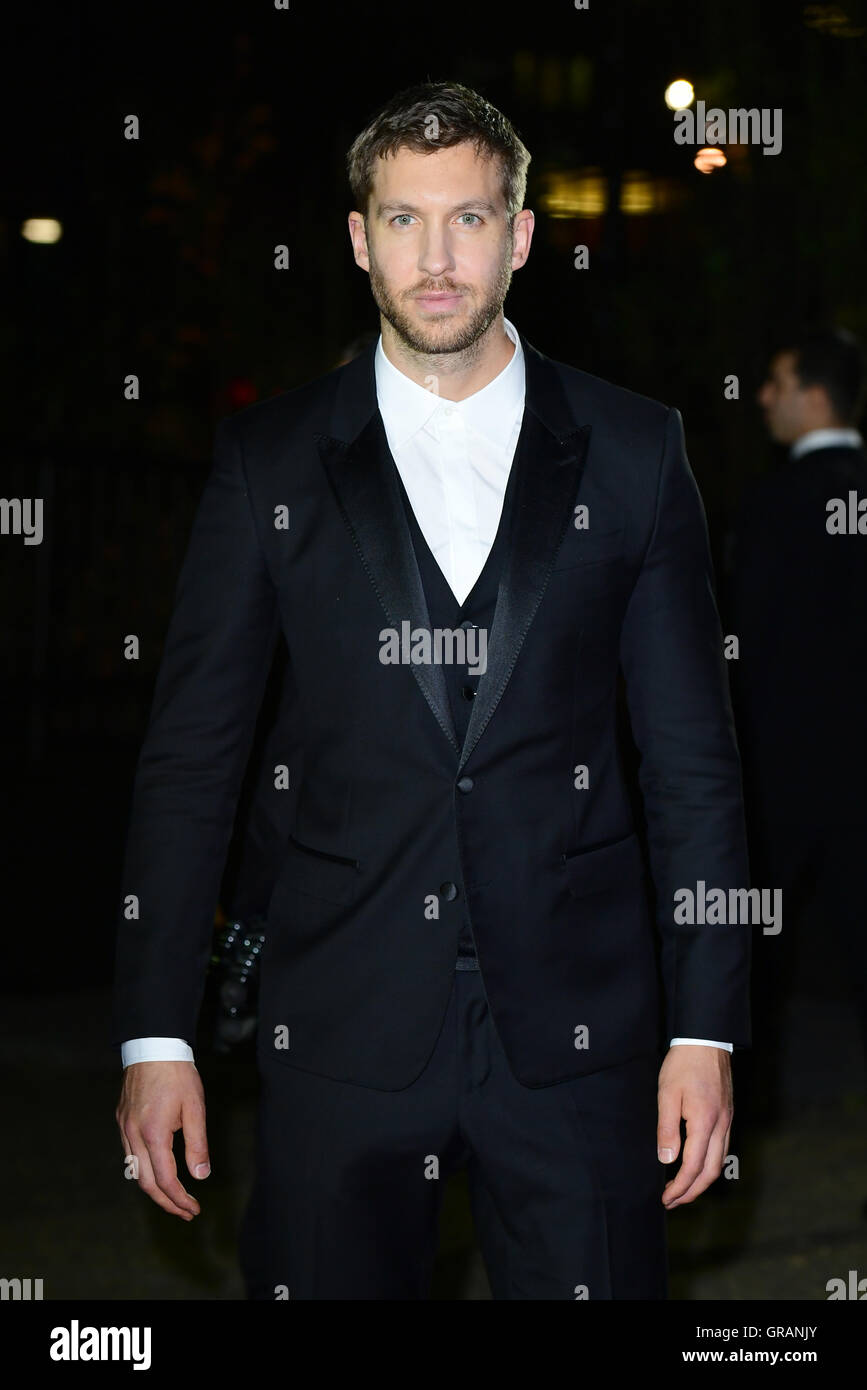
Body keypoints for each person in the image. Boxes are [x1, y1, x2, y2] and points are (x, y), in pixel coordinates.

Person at [113, 81, 751, 1300]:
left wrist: (704, 1026)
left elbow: (692, 761)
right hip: (337, 1027)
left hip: (579, 1037)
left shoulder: (635, 448)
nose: (437, 257)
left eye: (467, 219)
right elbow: (193, 754)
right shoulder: (271, 460)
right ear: (358, 239)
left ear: (519, 235)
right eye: (404, 221)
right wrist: (157, 1031)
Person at [731, 328, 867, 1084]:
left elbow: (743, 638)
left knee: (750, 957)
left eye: (776, 384)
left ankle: (720, 1141)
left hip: (779, 774)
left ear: (814, 397)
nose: (762, 398)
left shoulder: (774, 504)